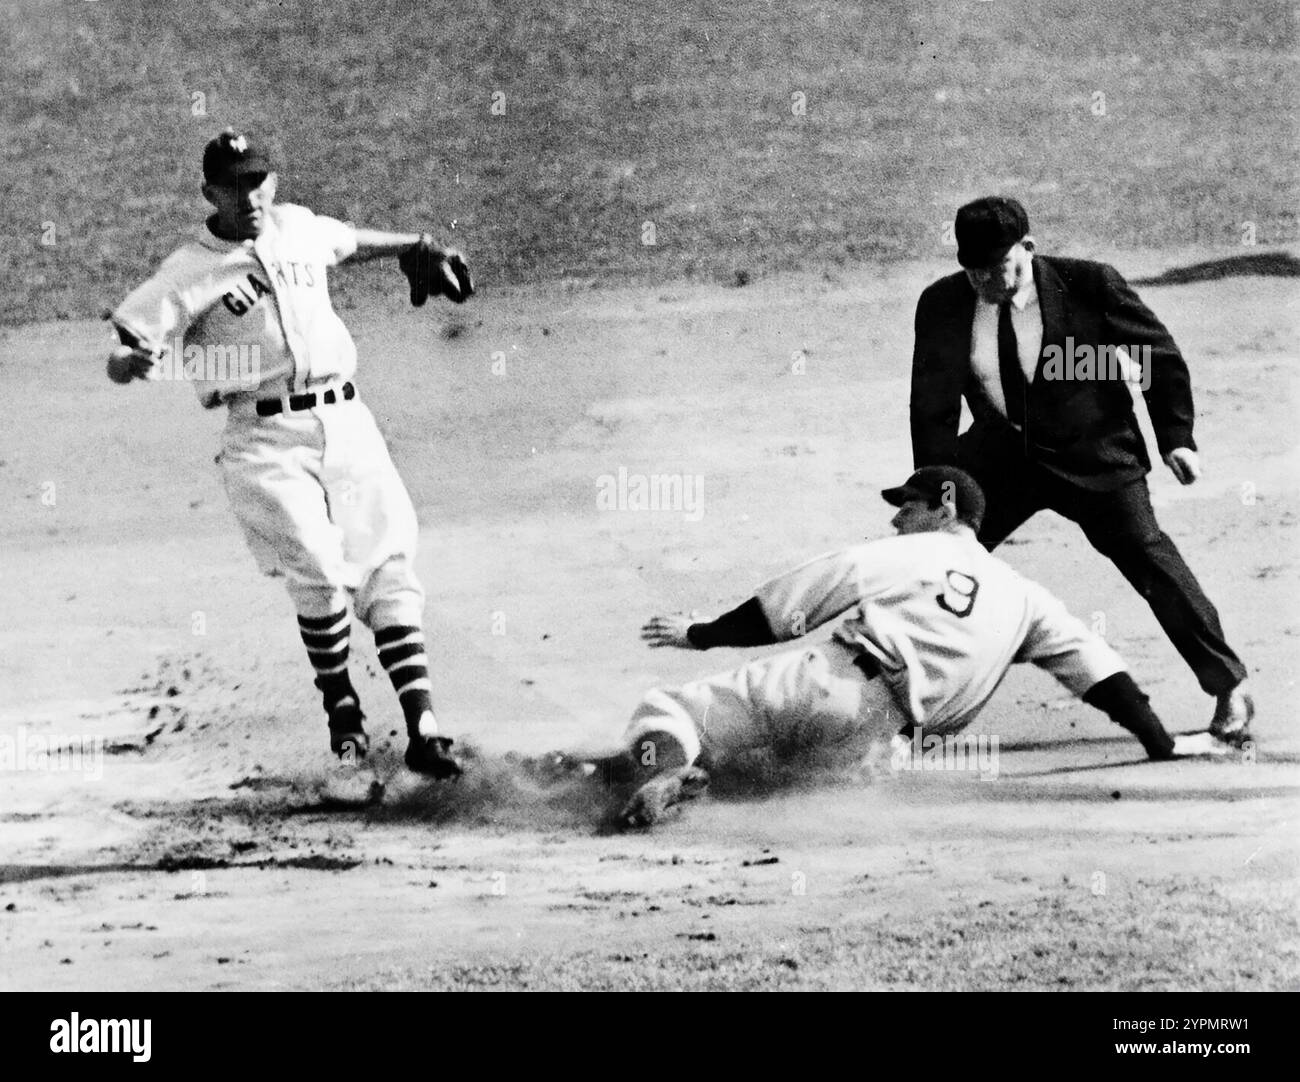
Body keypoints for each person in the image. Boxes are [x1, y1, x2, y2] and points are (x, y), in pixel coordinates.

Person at [555, 467, 1230, 828]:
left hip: (833, 680)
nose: (895, 517)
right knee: (766, 774)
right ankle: (649, 775)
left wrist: (700, 633)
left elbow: (794, 603)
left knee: (673, 709)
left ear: (944, 504)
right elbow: (1099, 674)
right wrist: (1159, 741)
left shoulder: (913, 550)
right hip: (880, 740)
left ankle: (648, 769)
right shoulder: (1028, 598)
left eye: (906, 504)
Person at [106, 128, 466, 779]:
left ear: (271, 182)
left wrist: (416, 245)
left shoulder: (297, 226)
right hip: (264, 439)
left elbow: (349, 241)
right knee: (320, 574)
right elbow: (126, 350)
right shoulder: (189, 268)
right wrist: (131, 362)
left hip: (349, 421)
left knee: (389, 568)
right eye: (234, 186)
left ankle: (425, 729)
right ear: (209, 191)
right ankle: (345, 718)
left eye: (258, 181)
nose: (249, 197)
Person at [909, 196, 1252, 746]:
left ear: (1028, 248)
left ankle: (1228, 687)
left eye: (999, 266)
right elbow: (932, 405)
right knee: (929, 569)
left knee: (1150, 561)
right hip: (1000, 457)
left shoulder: (1090, 285)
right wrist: (936, 488)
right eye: (973, 269)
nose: (986, 280)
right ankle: (896, 706)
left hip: (1092, 452)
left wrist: (1177, 439)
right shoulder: (944, 304)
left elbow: (1155, 357)